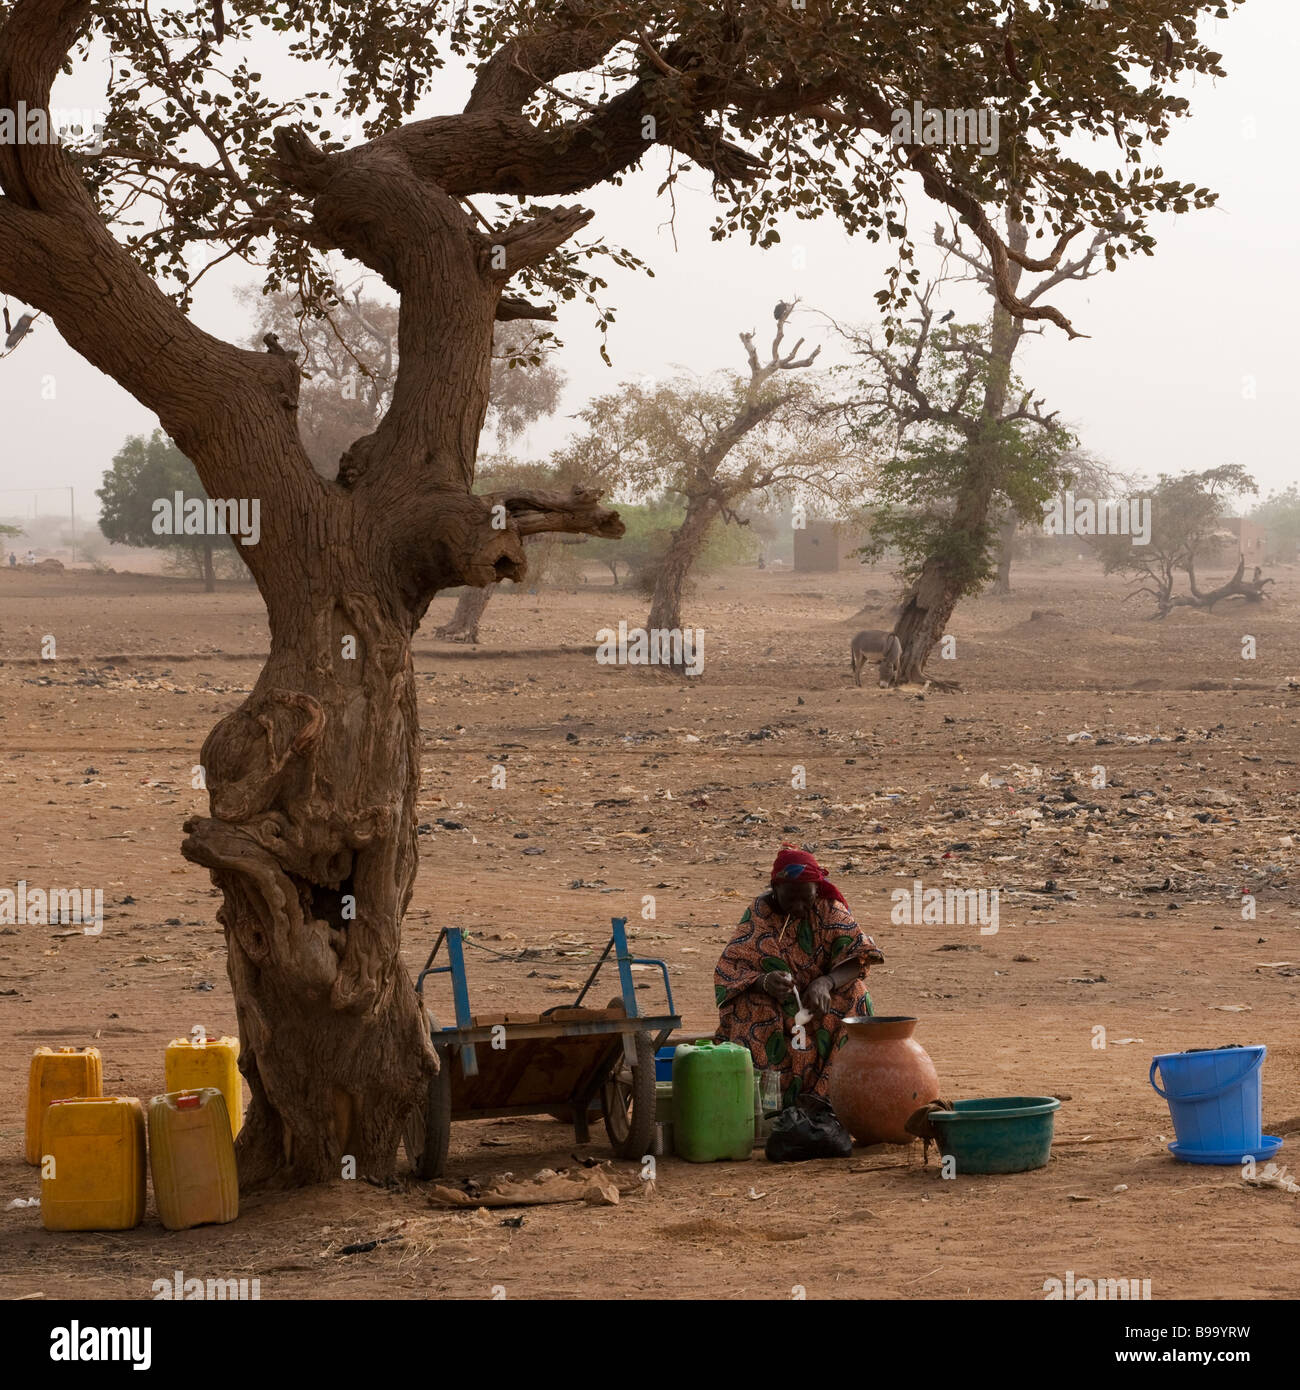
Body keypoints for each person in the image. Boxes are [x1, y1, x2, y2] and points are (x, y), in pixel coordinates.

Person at [714, 846, 884, 1109]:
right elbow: (732, 968)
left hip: (818, 1000)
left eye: (806, 899)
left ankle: (829, 1097)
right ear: (774, 889)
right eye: (790, 899)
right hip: (778, 1003)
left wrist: (825, 983)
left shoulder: (829, 909)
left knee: (857, 994)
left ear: (817, 889)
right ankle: (767, 1106)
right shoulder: (760, 913)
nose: (798, 907)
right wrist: (765, 981)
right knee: (750, 1007)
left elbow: (859, 957)